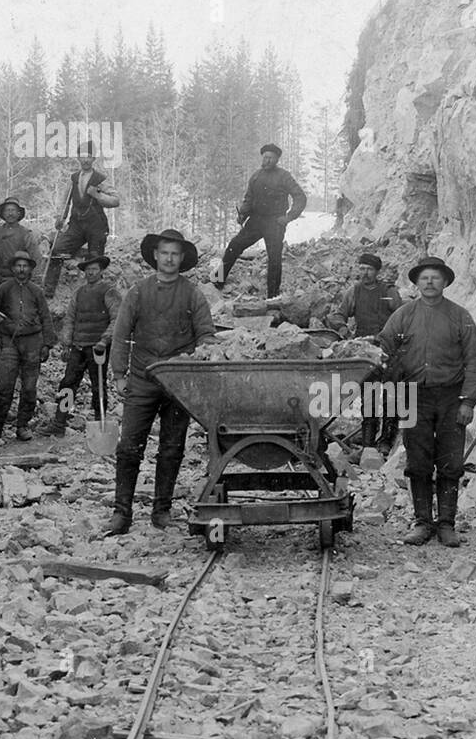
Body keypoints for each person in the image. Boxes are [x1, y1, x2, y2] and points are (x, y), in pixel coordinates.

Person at [107, 229, 215, 535]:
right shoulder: (138, 292)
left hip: (178, 384)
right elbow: (121, 334)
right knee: (129, 446)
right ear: (155, 255)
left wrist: (194, 369)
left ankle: (162, 510)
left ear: (182, 259)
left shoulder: (192, 293)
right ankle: (121, 513)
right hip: (142, 380)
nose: (169, 259)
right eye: (164, 253)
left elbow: (206, 335)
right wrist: (118, 375)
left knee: (171, 448)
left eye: (175, 254)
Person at [377, 257, 476, 548]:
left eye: (435, 277)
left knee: (450, 462)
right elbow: (383, 347)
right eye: (424, 278)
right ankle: (422, 523)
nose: (429, 282)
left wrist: (468, 401)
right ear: (416, 282)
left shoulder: (460, 316)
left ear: (445, 282)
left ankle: (447, 524)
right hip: (413, 397)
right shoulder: (403, 315)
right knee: (418, 461)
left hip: (451, 397)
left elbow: (474, 360)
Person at [37, 252, 121, 438]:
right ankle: (59, 423)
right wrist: (66, 343)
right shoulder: (79, 293)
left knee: (98, 386)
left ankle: (100, 425)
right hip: (78, 346)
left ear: (101, 271)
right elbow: (70, 319)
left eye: (94, 269)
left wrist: (104, 341)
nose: (91, 273)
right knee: (68, 384)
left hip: (98, 347)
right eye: (88, 270)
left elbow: (117, 318)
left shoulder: (109, 291)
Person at [327, 253, 404, 454]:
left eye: (369, 269)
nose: (364, 273)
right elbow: (337, 315)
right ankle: (368, 442)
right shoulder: (354, 291)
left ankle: (386, 441)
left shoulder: (389, 291)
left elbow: (402, 316)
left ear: (377, 271)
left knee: (391, 394)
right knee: (369, 395)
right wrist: (344, 331)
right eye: (361, 268)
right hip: (365, 352)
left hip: (389, 350)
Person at [216, 143, 307, 300]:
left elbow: (300, 197)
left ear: (277, 159)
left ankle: (272, 296)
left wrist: (288, 217)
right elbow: (249, 199)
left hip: (275, 222)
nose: (268, 161)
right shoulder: (256, 176)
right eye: (265, 157)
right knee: (234, 246)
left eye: (271, 158)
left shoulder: (284, 176)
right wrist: (243, 214)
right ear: (262, 158)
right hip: (256, 221)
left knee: (274, 259)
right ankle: (217, 280)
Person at [0, 251, 55, 443]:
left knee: (29, 388)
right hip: (9, 342)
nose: (21, 269)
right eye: (18, 266)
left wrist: (47, 344)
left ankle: (23, 425)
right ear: (12, 268)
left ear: (30, 269)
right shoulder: (4, 289)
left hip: (32, 342)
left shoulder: (36, 291)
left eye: (25, 266)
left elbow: (45, 317)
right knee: (4, 386)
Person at [43, 142, 119, 297]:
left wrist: (98, 195)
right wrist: (61, 218)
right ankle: (48, 290)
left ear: (94, 159)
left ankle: (95, 293)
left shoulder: (100, 179)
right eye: (82, 156)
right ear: (78, 158)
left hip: (96, 226)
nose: (85, 160)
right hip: (76, 225)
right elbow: (65, 201)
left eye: (89, 156)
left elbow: (115, 200)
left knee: (95, 259)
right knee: (57, 250)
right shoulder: (74, 179)